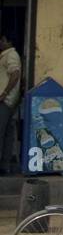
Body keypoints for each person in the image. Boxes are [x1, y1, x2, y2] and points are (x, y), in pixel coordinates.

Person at [0, 37, 22, 174]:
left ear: (9, 41)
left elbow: (15, 74)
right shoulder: (5, 56)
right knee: (7, 134)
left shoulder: (11, 55)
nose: (0, 43)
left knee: (2, 133)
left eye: (2, 40)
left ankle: (3, 164)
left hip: (5, 101)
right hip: (9, 100)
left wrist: (4, 93)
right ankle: (5, 166)